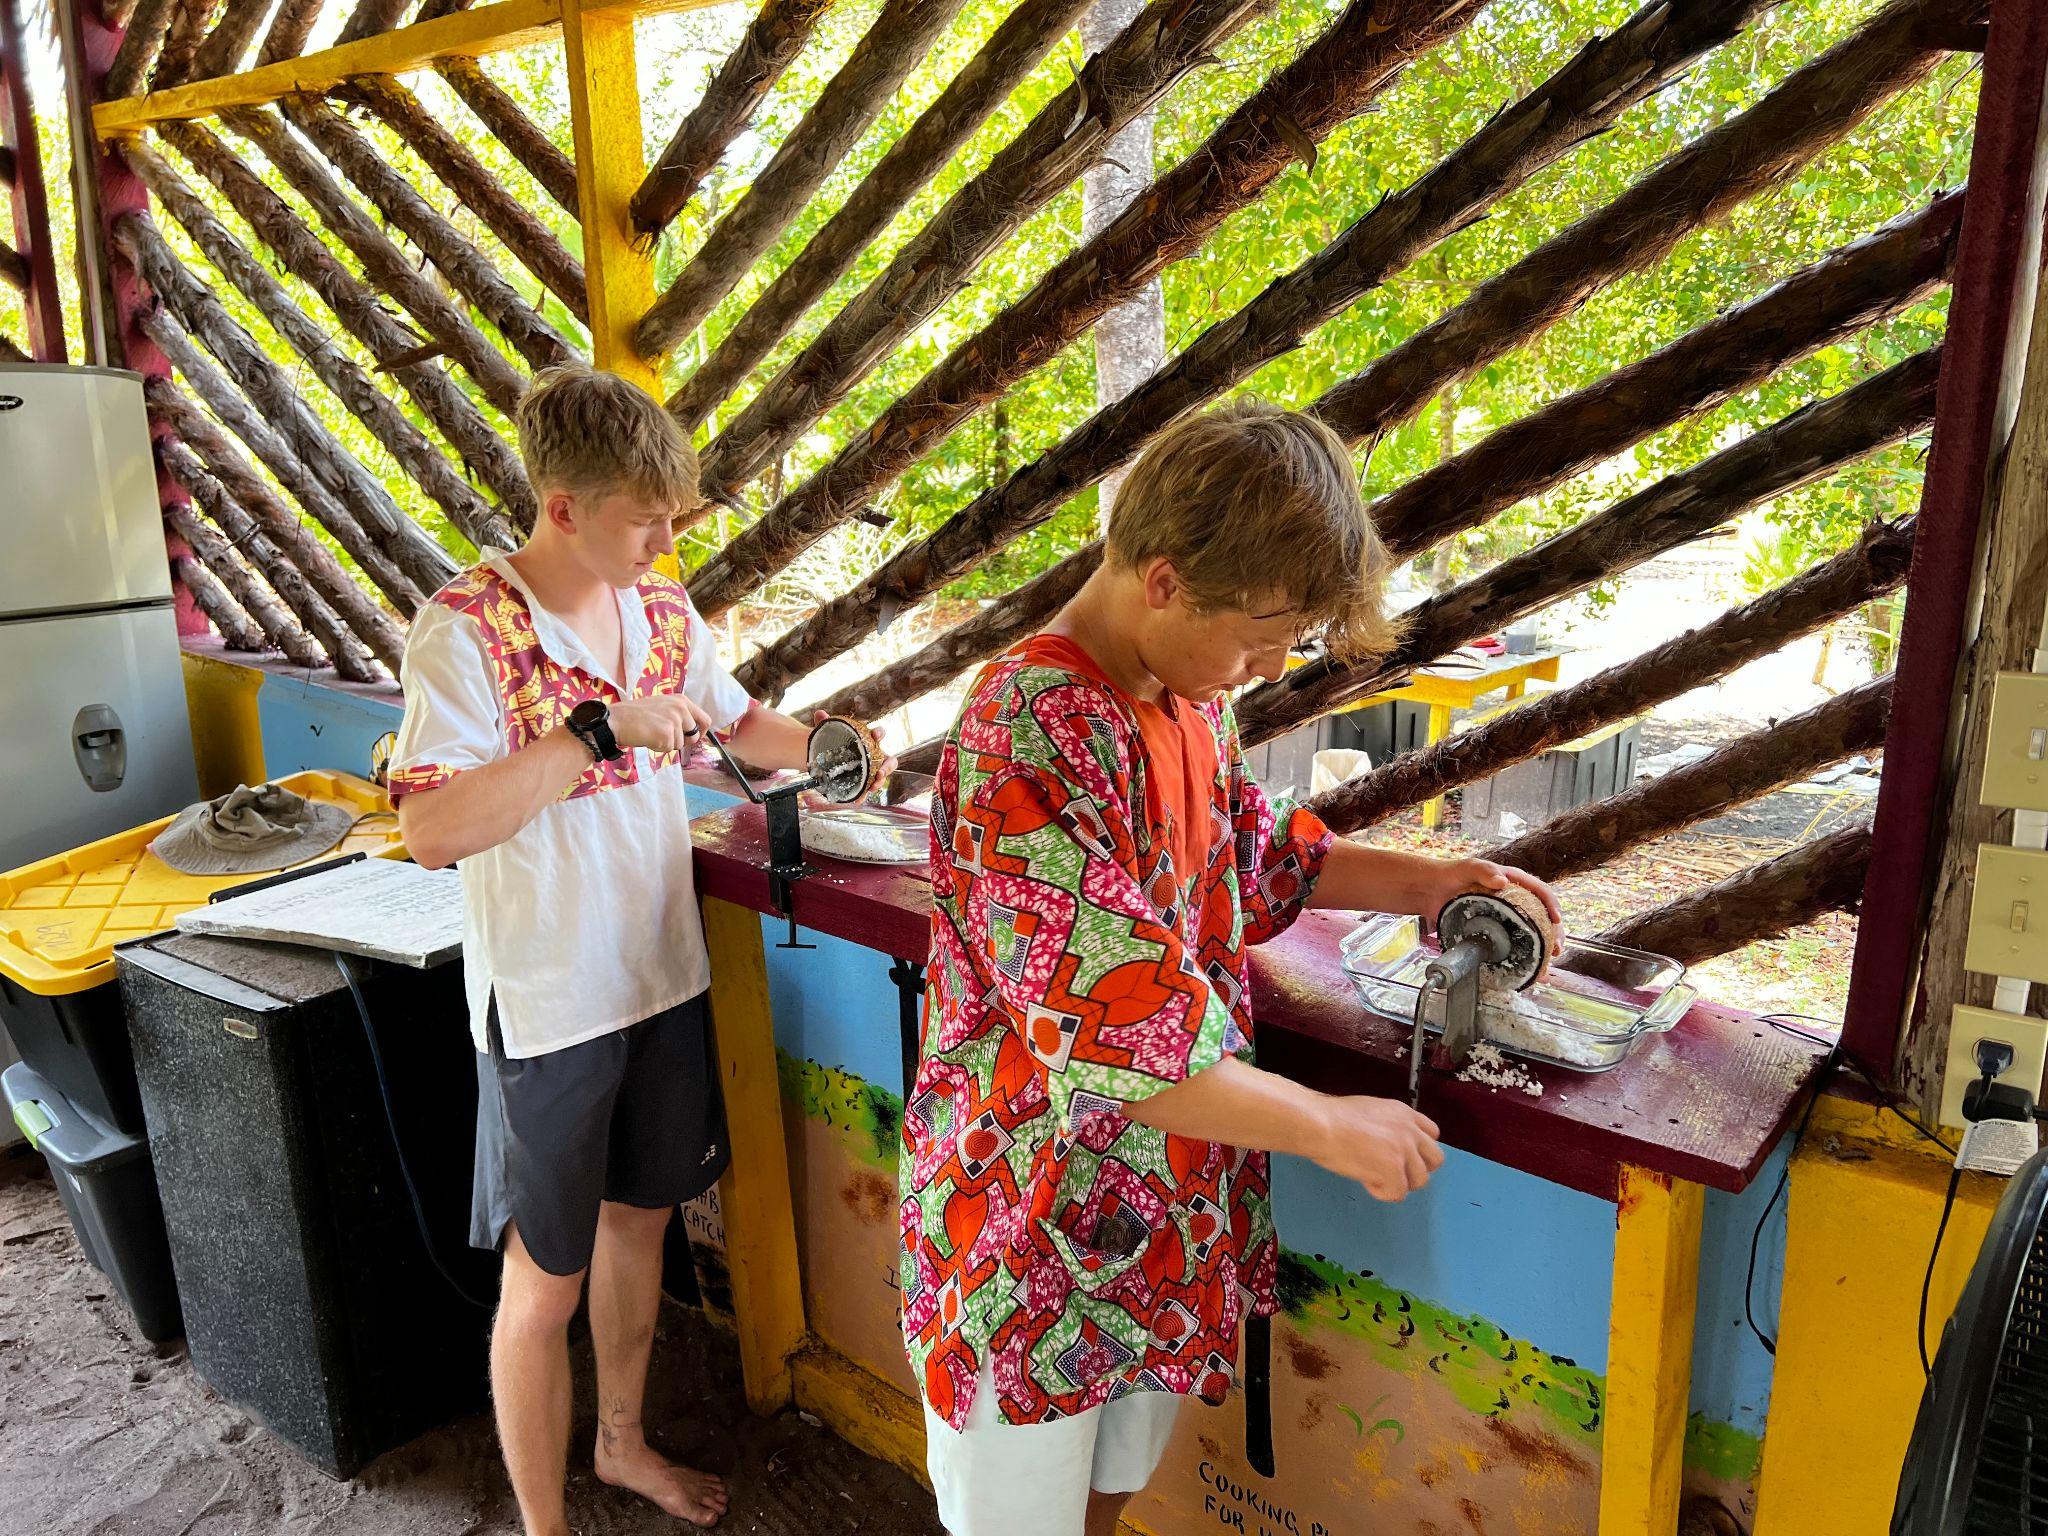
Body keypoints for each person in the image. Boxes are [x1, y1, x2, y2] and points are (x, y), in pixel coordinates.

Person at [900, 402, 1561, 1536]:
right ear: (1160, 582)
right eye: (1261, 636)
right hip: (1025, 1230)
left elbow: (1245, 859)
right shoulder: (1028, 735)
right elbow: (1111, 1040)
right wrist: (1324, 1125)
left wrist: (1434, 883)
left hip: (1150, 1222)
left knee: (1104, 1495)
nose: (1270, 664)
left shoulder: (1180, 702)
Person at [389, 364, 848, 1534]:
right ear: (561, 507)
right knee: (544, 1282)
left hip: (658, 974)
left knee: (640, 1223)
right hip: (547, 1002)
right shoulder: (465, 630)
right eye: (644, 518)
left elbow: (740, 726)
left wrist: (837, 745)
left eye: (671, 516)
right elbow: (432, 827)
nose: (663, 539)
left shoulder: (662, 614)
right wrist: (595, 733)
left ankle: (622, 1446)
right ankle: (544, 1526)